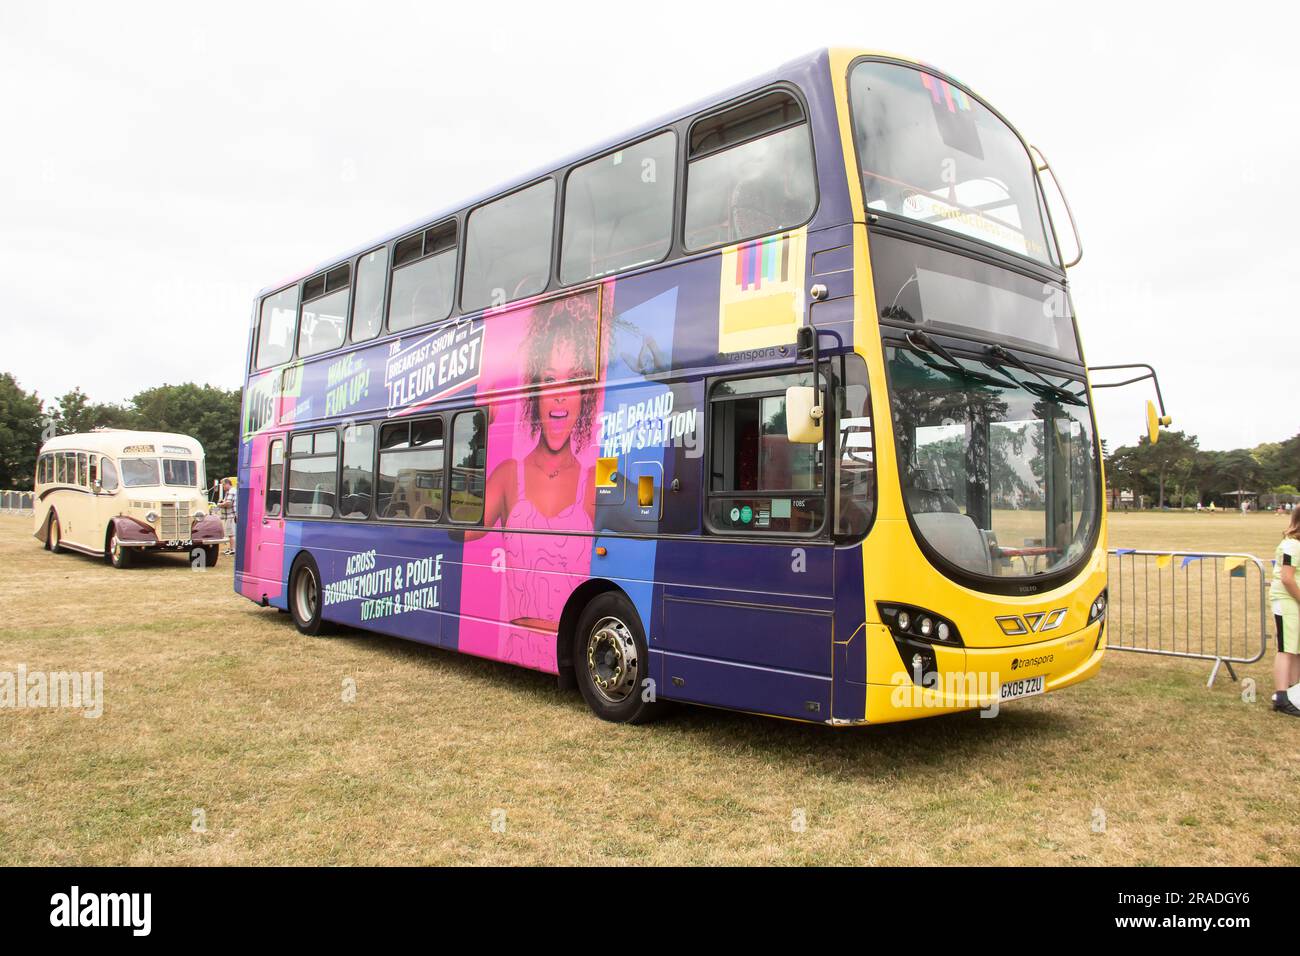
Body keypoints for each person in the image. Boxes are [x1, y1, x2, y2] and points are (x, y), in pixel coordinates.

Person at [1271, 509, 1300, 717]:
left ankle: (1293, 691)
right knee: (1287, 647)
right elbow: (1287, 578)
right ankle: (1282, 697)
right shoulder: (1291, 545)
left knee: (1296, 647)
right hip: (1287, 600)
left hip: (1294, 600)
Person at [219, 478, 237, 557]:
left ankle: (233, 550)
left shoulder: (231, 491)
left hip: (231, 515)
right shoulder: (231, 491)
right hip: (230, 515)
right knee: (230, 534)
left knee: (231, 534)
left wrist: (219, 505)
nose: (223, 487)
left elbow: (229, 504)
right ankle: (231, 548)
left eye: (223, 485)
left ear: (227, 484)